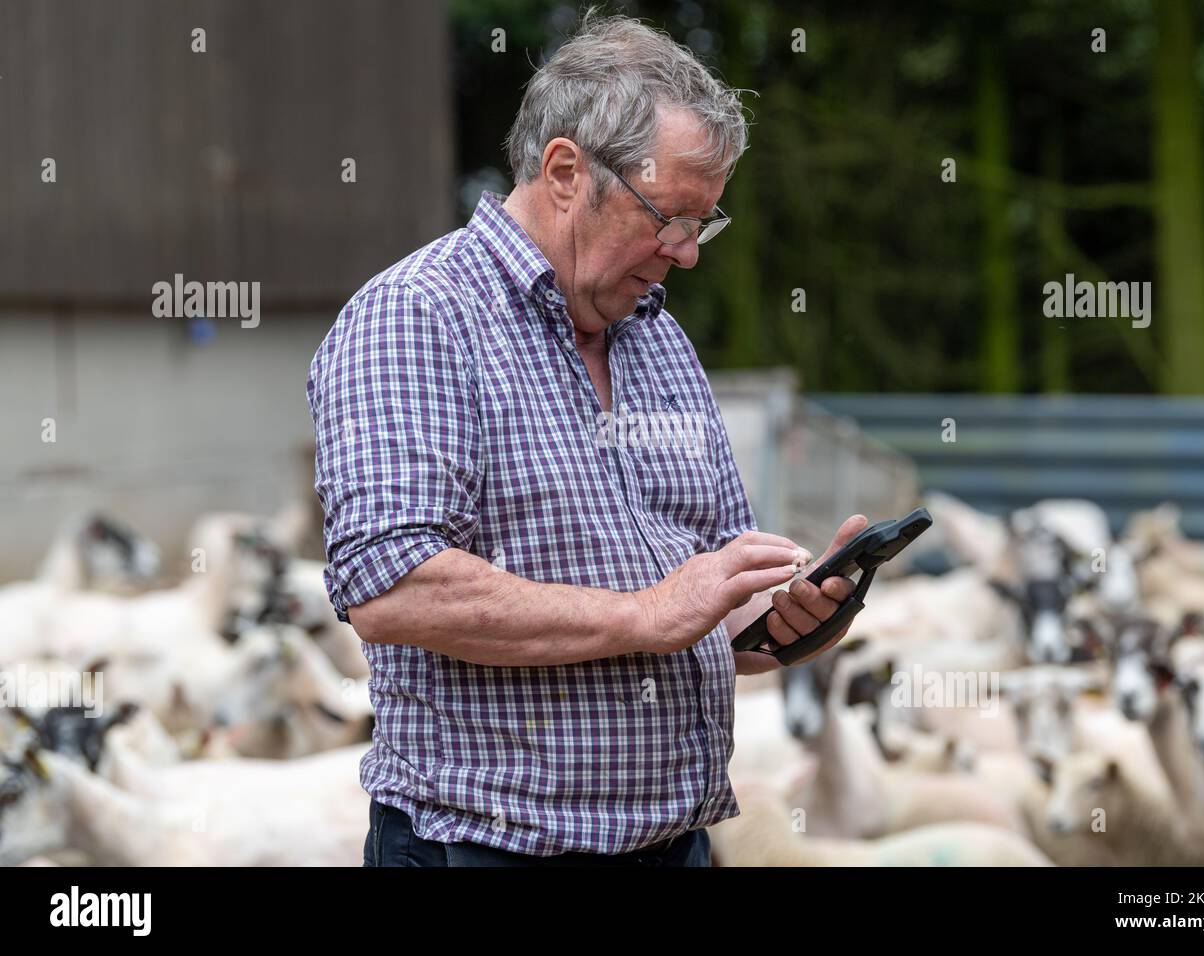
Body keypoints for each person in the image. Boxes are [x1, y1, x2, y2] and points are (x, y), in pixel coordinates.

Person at [307, 11, 864, 867]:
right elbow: (394, 590)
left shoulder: (657, 337)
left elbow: (705, 596)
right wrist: (646, 615)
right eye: (670, 216)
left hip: (676, 843)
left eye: (705, 223)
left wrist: (792, 615)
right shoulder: (416, 317)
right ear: (566, 171)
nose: (686, 254)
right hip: (488, 847)